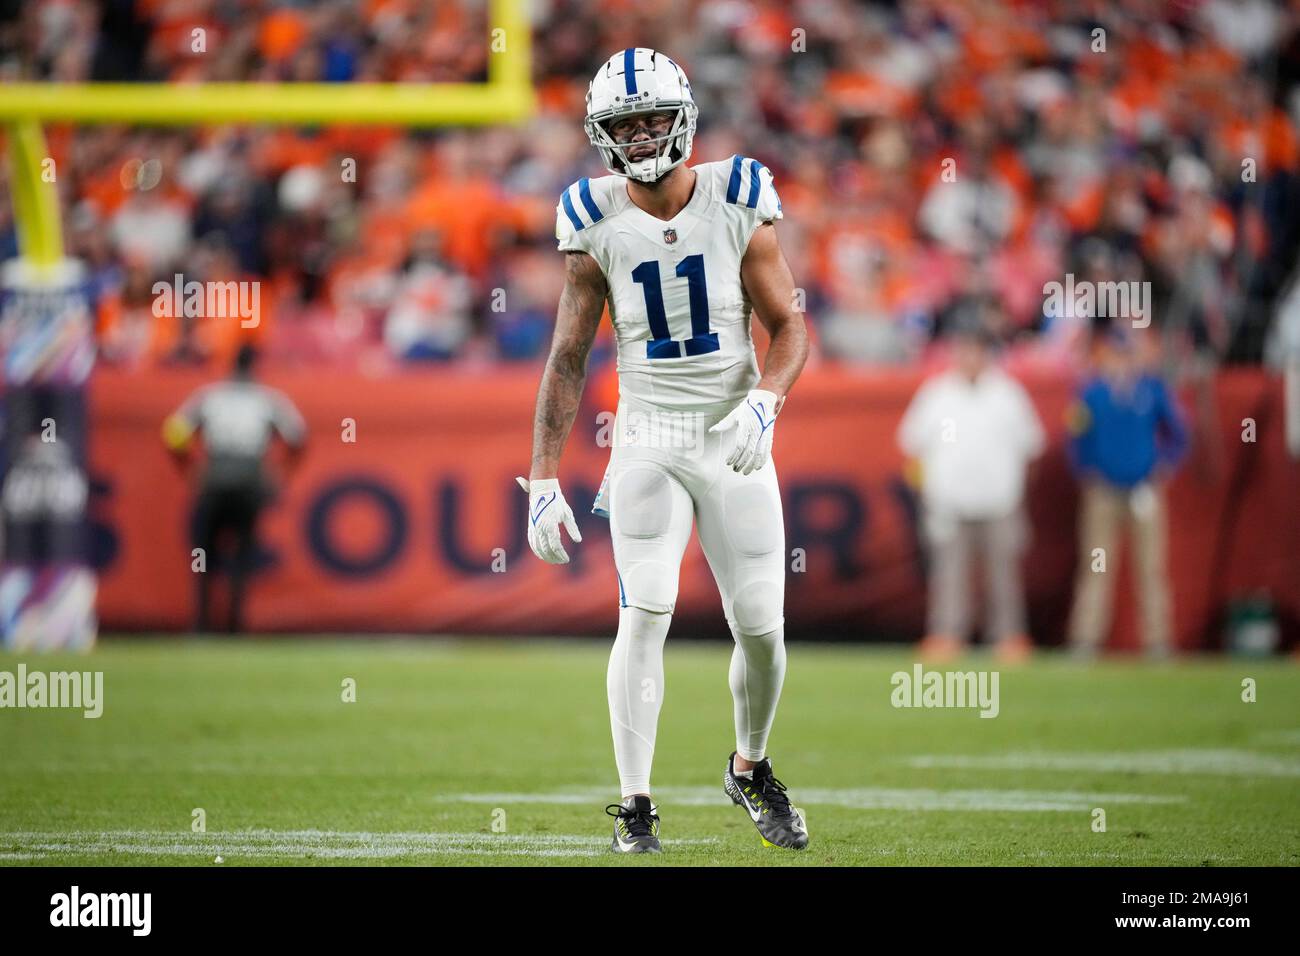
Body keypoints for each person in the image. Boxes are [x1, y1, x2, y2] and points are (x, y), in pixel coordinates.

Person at [518, 49, 811, 853]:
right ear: (600, 135)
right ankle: (636, 805)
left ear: (682, 115)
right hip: (648, 437)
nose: (643, 136)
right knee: (644, 610)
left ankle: (749, 768)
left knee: (762, 628)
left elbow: (790, 325)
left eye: (652, 119)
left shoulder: (737, 194)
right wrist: (542, 475)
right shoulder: (590, 214)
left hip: (731, 435)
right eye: (625, 125)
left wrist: (765, 401)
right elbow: (568, 355)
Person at [897, 318, 1046, 663]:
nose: (969, 356)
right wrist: (929, 494)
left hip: (1000, 500)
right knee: (950, 573)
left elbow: (1031, 448)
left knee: (1003, 573)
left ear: (987, 353)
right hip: (949, 501)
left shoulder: (1008, 393)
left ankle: (1008, 637)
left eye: (976, 349)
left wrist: (1014, 490)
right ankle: (947, 635)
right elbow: (912, 446)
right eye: (963, 349)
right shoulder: (937, 393)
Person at [162, 344, 306, 633]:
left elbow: (173, 432)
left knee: (204, 553)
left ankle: (202, 622)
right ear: (255, 367)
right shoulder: (268, 400)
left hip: (215, 476)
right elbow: (298, 437)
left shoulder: (210, 397)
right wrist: (280, 475)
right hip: (249, 477)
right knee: (243, 551)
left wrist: (190, 470)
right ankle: (234, 623)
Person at [1066, 325, 1189, 657]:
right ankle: (1086, 640)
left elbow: (1179, 432)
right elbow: (1076, 438)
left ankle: (1158, 641)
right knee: (1097, 565)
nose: (1121, 361)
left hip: (1143, 490)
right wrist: (1087, 472)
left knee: (1150, 568)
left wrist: (1164, 465)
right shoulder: (1092, 393)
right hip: (1103, 492)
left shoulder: (1152, 390)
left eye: (1126, 354)